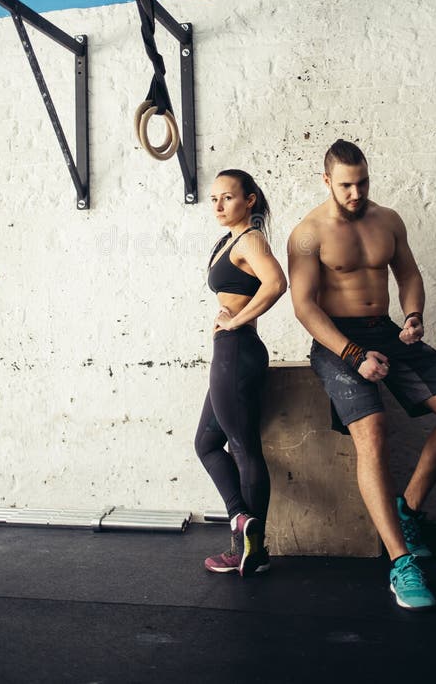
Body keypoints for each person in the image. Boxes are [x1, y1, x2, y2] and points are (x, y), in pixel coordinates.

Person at [288, 139, 436, 610]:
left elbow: (408, 274)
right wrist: (354, 355)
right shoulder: (307, 234)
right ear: (327, 181)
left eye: (363, 182)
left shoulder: (388, 220)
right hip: (337, 341)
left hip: (388, 331)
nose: (356, 193)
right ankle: (401, 563)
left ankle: (408, 508)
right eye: (346, 185)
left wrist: (413, 315)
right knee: (372, 433)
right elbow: (304, 307)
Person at [195, 169, 287, 577]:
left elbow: (276, 283)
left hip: (237, 352)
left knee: (243, 446)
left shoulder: (249, 239)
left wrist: (236, 322)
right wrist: (227, 315)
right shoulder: (228, 241)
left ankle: (251, 547)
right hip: (231, 353)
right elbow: (242, 291)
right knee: (208, 443)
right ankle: (242, 524)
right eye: (214, 198)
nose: (218, 205)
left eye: (227, 198)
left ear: (249, 200)